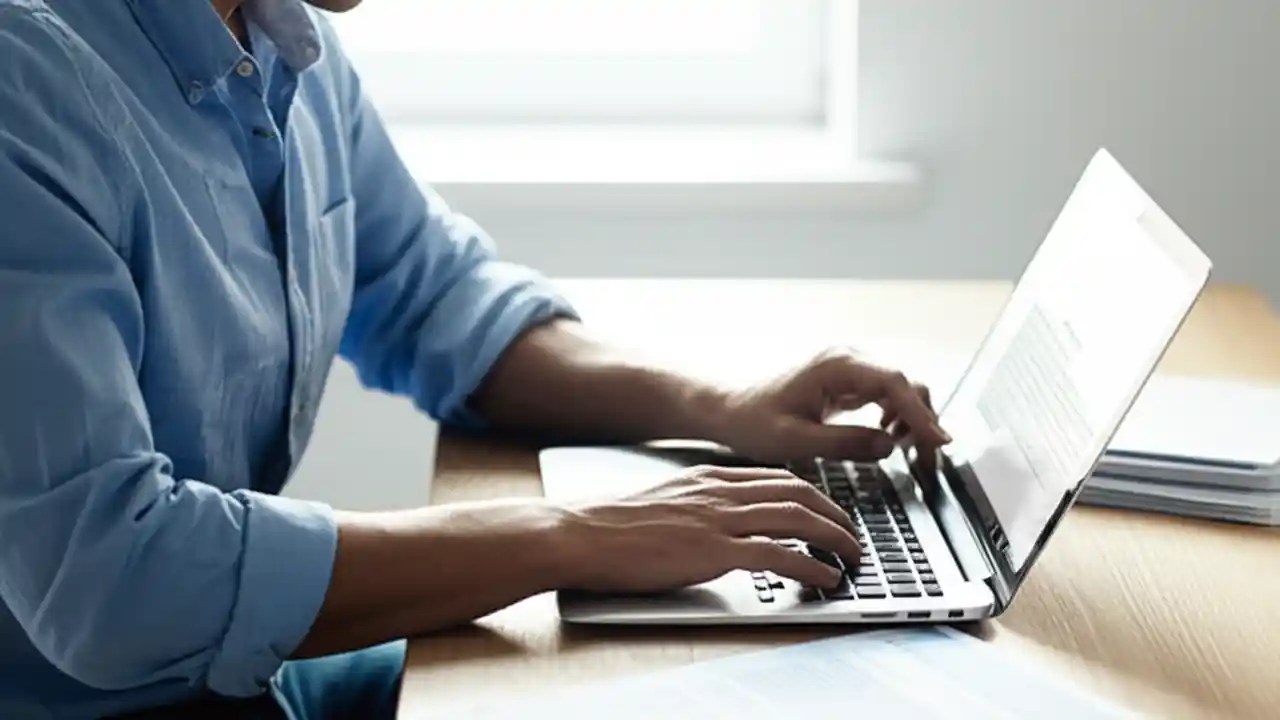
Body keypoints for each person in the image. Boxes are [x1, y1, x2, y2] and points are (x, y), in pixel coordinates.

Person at [0, 0, 950, 717]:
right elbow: (110, 582)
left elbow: (435, 301)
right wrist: (574, 536)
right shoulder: (25, 81)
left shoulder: (281, 42)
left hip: (239, 683)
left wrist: (718, 404)